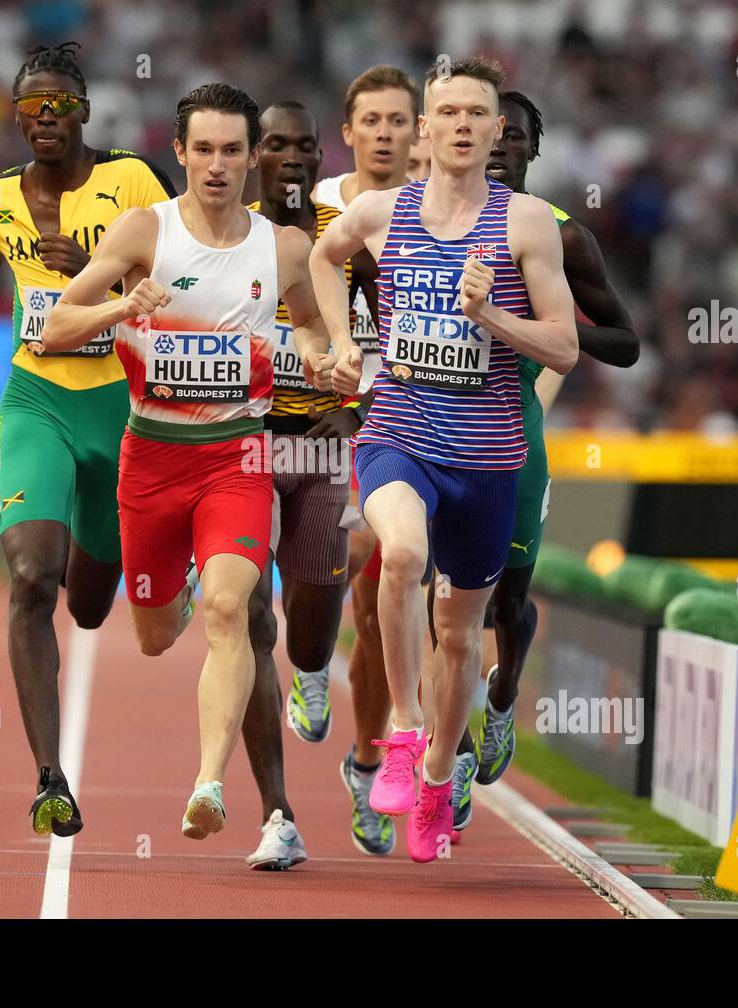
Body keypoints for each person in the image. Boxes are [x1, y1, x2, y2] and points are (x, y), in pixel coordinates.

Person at [39, 83, 358, 844]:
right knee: (153, 638)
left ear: (253, 159)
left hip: (236, 459)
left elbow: (312, 329)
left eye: (233, 151)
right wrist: (122, 306)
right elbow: (55, 326)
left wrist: (325, 361)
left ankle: (208, 783)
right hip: (150, 460)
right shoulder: (144, 230)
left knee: (231, 612)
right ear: (179, 152)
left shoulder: (282, 247)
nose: (218, 165)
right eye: (204, 149)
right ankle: (173, 591)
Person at [309, 56, 577, 863]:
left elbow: (564, 345)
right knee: (401, 555)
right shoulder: (382, 212)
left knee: (459, 636)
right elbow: (324, 259)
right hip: (399, 431)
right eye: (448, 112)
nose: (462, 125)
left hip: (489, 458)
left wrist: (490, 314)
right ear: (426, 129)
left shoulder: (527, 223)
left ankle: (433, 778)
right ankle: (401, 729)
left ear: (498, 130)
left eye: (477, 114)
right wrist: (345, 340)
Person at [0, 42, 174, 836]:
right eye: (34, 106)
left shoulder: (135, 182)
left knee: (91, 602)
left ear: (84, 112)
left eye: (63, 105)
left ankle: (99, 566)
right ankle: (49, 780)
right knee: (33, 577)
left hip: (120, 405)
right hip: (35, 397)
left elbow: (186, 268)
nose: (48, 118)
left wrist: (102, 276)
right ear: (17, 115)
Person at [446, 90, 640, 833]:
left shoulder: (563, 236)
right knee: (442, 607)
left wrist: (549, 332)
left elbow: (625, 343)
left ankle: (502, 700)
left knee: (503, 606)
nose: (494, 143)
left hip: (514, 436)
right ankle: (454, 751)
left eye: (512, 135)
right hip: (430, 430)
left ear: (531, 148)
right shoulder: (425, 217)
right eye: (482, 128)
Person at [239, 100, 378, 868]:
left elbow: (395, 337)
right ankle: (277, 816)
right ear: (256, 154)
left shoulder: (348, 238)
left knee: (313, 613)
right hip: (247, 446)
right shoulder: (230, 233)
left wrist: (356, 417)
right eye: (275, 144)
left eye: (303, 146)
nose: (290, 157)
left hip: (324, 446)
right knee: (253, 618)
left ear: (319, 155)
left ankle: (315, 673)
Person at [310, 65, 418, 857]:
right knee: (347, 576)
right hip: (328, 412)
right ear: (347, 132)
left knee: (399, 604)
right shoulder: (315, 204)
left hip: (418, 413)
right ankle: (312, 665)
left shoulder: (447, 207)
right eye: (370, 121)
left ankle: (383, 755)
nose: (384, 133)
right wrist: (325, 352)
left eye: (397, 121)